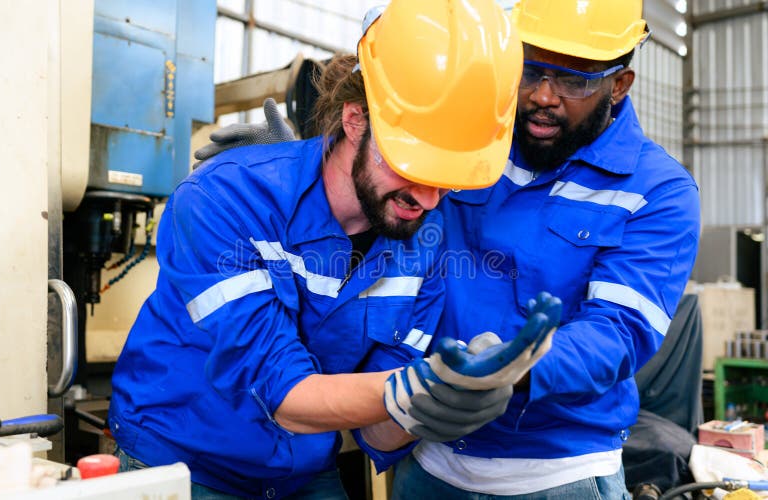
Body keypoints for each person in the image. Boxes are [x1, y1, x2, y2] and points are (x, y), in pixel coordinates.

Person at [200, 0, 702, 498]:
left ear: (619, 83)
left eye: (575, 80)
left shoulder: (657, 190)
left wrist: (513, 367)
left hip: (556, 473)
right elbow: (383, 178)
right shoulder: (469, 136)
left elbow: (618, 333)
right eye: (529, 70)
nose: (543, 96)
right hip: (429, 458)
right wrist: (300, 172)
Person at [109, 2, 554, 499]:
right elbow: (285, 394)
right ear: (356, 119)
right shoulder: (225, 198)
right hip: (183, 463)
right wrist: (409, 387)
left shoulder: (425, 244)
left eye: (446, 179)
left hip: (301, 470)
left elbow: (376, 433)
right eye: (414, 166)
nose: (429, 199)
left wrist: (440, 404)